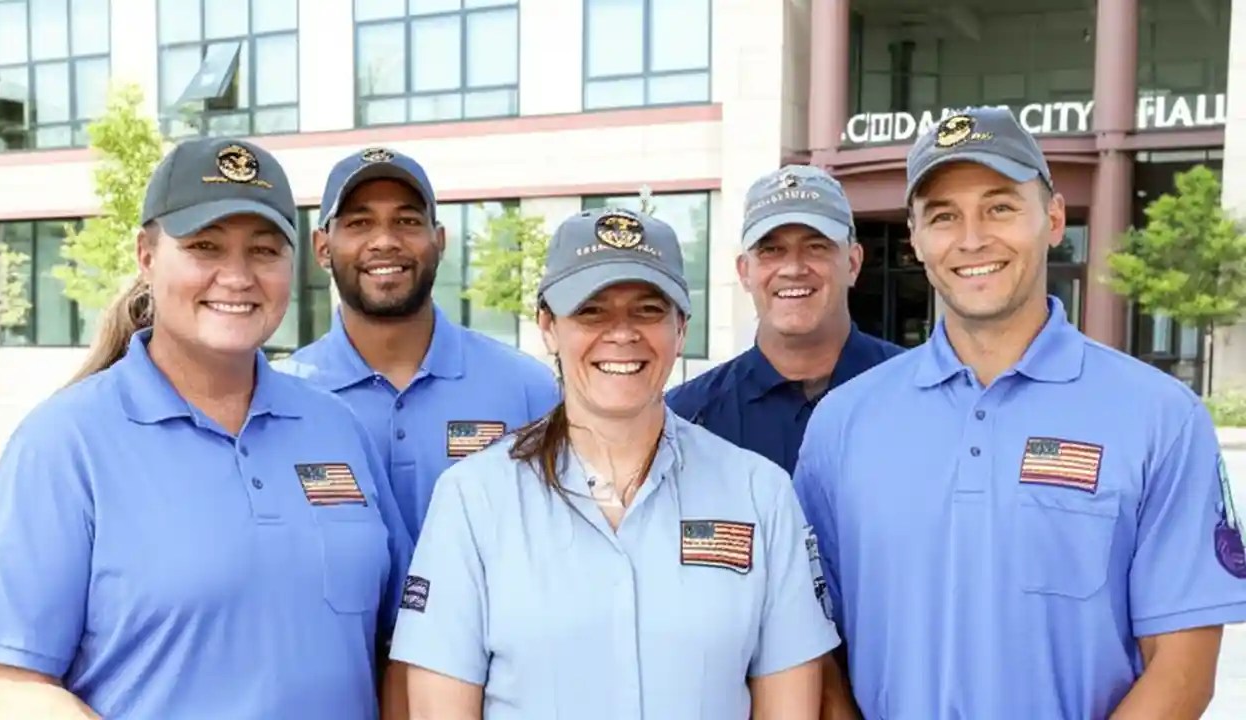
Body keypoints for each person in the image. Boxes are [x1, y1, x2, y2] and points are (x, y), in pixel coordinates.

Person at [793, 105, 1246, 718]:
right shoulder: (843, 424)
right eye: (944, 216)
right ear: (916, 238)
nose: (973, 238)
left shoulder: (1161, 418)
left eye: (1000, 206)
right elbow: (817, 651)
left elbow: (1183, 669)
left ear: (1053, 218)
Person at [0, 138, 413, 720]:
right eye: (205, 247)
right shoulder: (65, 443)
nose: (237, 276)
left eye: (264, 250)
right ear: (146, 256)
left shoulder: (337, 428)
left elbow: (401, 644)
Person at [385, 207, 839, 719]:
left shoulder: (759, 493)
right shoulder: (474, 498)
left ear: (681, 328)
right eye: (592, 311)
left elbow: (790, 706)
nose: (622, 334)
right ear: (548, 327)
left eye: (648, 309)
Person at [276, 147, 560, 542]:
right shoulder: (279, 399)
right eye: (359, 223)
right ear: (322, 247)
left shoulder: (528, 389)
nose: (385, 241)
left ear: (439, 241)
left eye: (407, 221)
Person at [666, 165, 902, 475]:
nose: (793, 268)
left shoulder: (916, 396)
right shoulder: (686, 420)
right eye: (772, 250)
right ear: (744, 271)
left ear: (853, 263)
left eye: (816, 247)